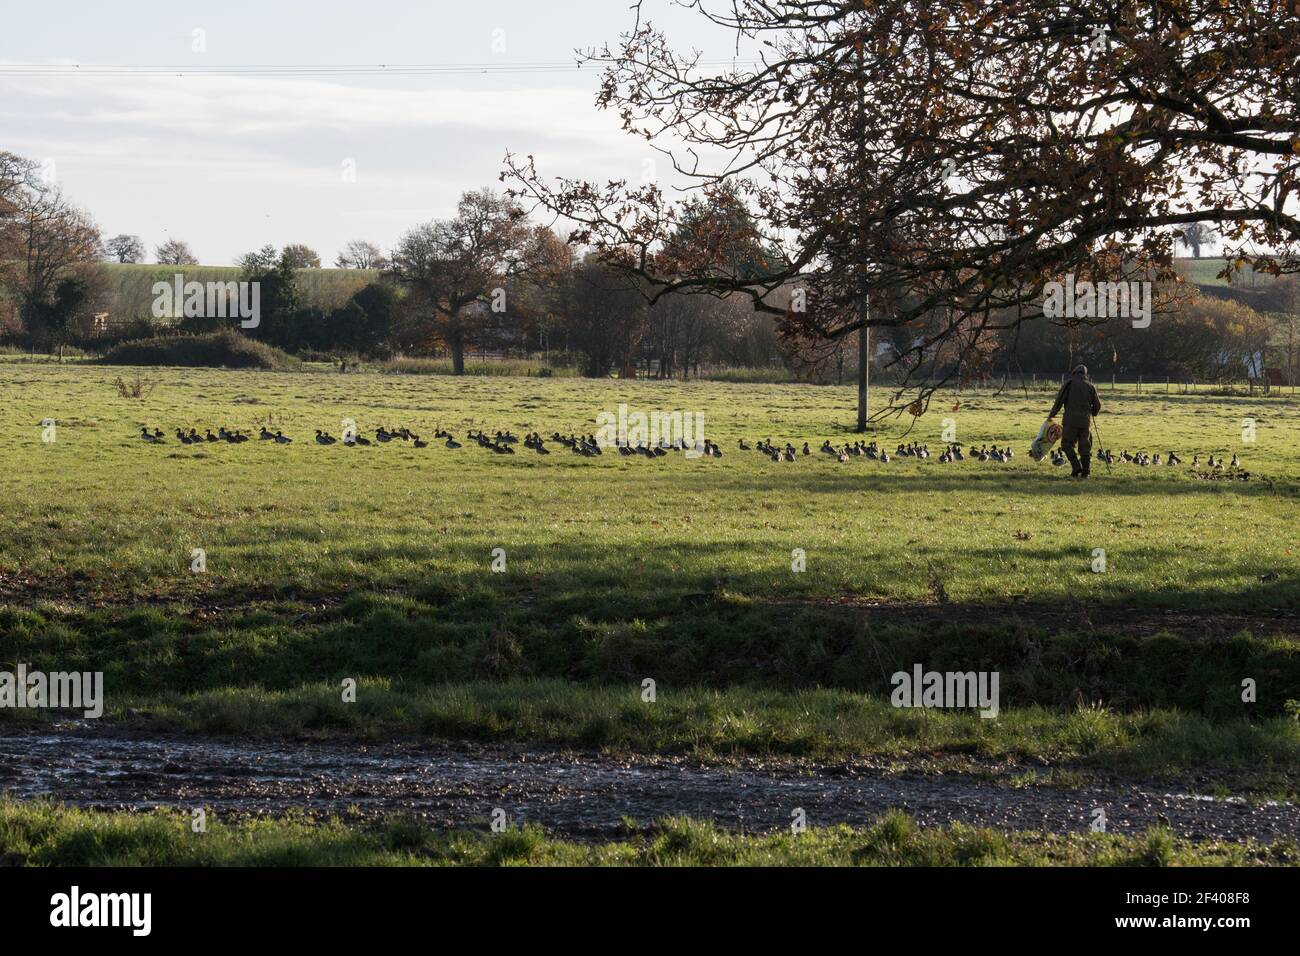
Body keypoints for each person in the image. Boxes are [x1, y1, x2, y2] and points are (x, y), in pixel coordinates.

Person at [1047, 364, 1102, 478]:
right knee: (1085, 446)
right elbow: (1097, 405)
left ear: (1075, 372)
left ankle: (1076, 467)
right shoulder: (1090, 386)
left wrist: (1051, 415)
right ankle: (1086, 472)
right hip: (1085, 421)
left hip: (1070, 421)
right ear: (1085, 374)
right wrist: (1093, 412)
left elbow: (1059, 401)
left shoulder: (1069, 383)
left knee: (1066, 444)